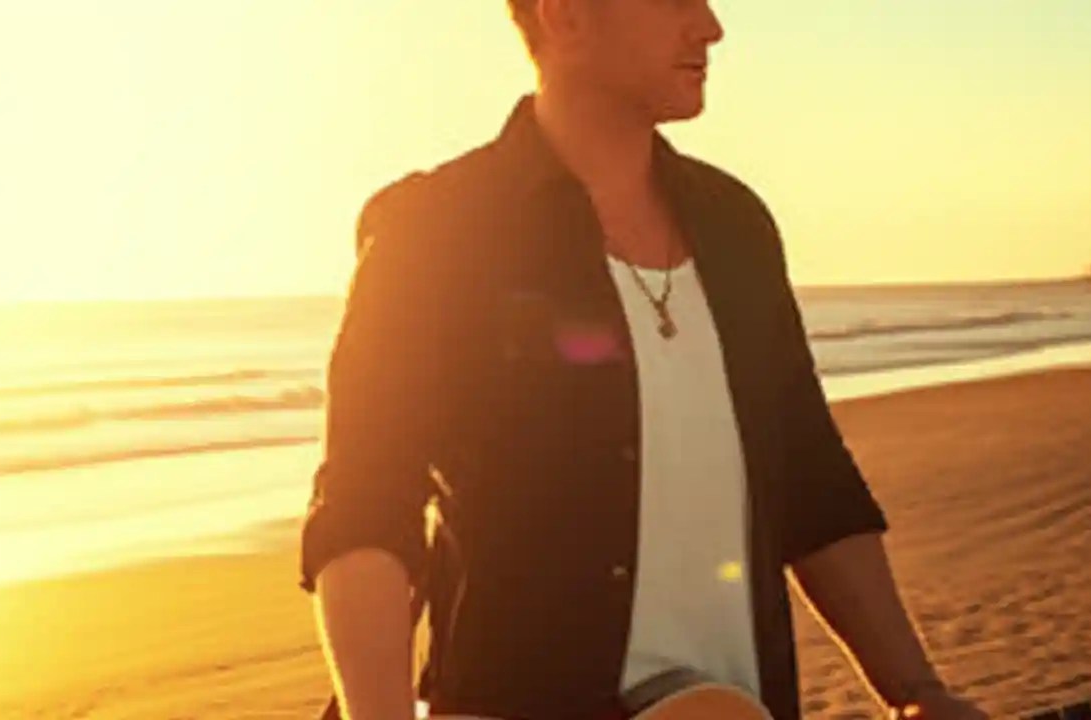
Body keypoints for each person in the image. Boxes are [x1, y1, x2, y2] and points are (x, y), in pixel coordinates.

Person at [299, 2, 989, 719]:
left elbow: (812, 484)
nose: (711, 26)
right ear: (565, 15)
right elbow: (364, 511)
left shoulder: (736, 224)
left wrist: (917, 692)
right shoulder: (436, 229)